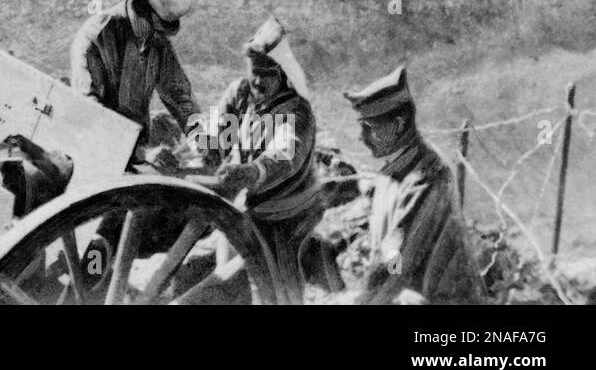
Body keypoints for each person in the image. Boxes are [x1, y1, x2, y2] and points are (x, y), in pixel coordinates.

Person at [344, 64, 486, 304]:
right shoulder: (392, 173)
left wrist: (365, 299)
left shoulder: (426, 178)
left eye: (369, 128)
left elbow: (399, 262)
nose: (361, 137)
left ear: (399, 124)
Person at [208, 16, 325, 303]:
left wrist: (250, 171)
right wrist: (202, 155)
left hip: (286, 212)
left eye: (267, 73)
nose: (258, 80)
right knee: (229, 275)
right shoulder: (241, 94)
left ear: (283, 74)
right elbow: (216, 136)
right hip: (246, 207)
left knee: (279, 293)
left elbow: (286, 155)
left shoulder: (296, 112)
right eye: (254, 70)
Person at [69, 0, 201, 161]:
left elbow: (180, 96)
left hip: (138, 154)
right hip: (98, 154)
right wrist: (142, 154)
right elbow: (89, 111)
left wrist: (207, 144)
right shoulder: (96, 37)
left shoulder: (156, 41)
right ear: (139, 8)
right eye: (157, 28)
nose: (161, 37)